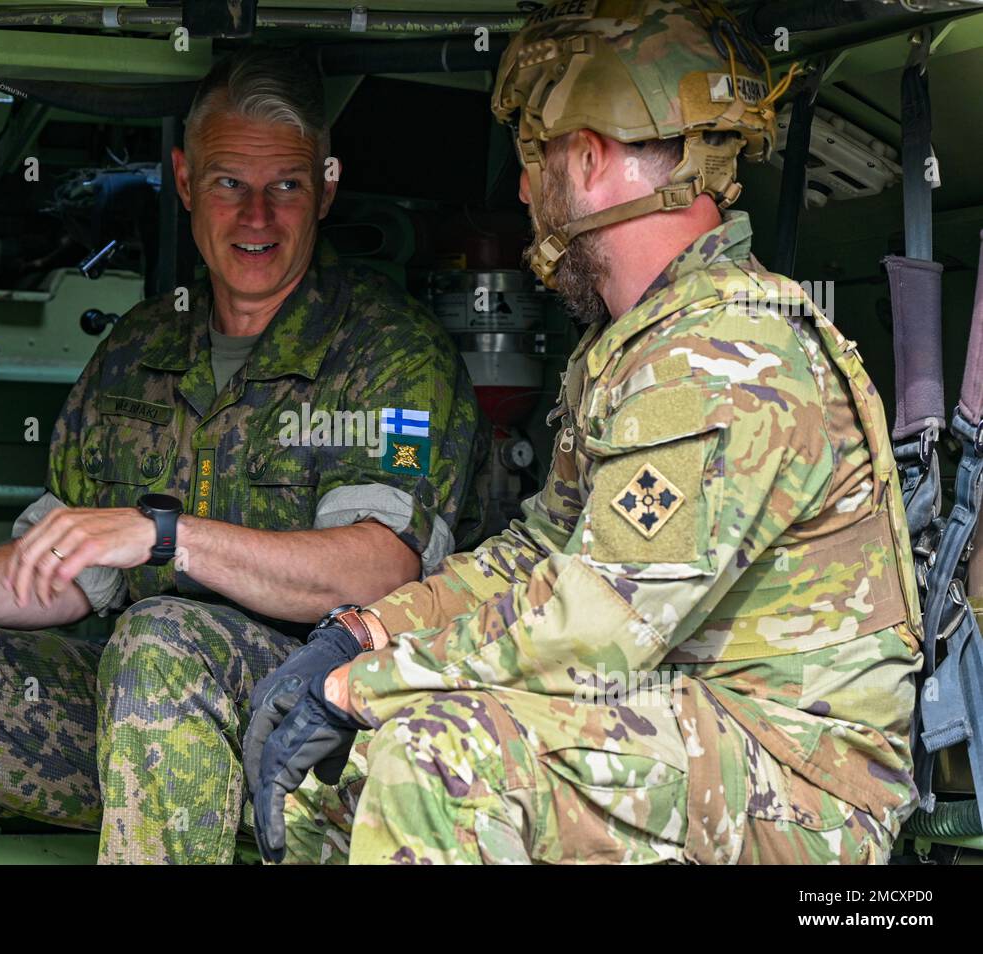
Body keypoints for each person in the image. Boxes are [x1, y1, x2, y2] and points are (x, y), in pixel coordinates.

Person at [245, 0, 923, 865]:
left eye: (537, 157)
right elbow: (541, 554)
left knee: (438, 756)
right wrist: (366, 632)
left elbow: (597, 627)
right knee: (331, 793)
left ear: (591, 158)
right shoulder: (643, 343)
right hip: (686, 725)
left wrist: (357, 690)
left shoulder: (724, 357)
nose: (525, 192)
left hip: (802, 784)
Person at [0, 46, 487, 864]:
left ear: (327, 189)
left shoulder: (386, 348)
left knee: (161, 636)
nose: (257, 217)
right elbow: (54, 575)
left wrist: (166, 537)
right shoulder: (142, 347)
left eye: (287, 186)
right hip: (145, 720)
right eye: (231, 183)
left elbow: (378, 574)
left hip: (324, 733)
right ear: (185, 180)